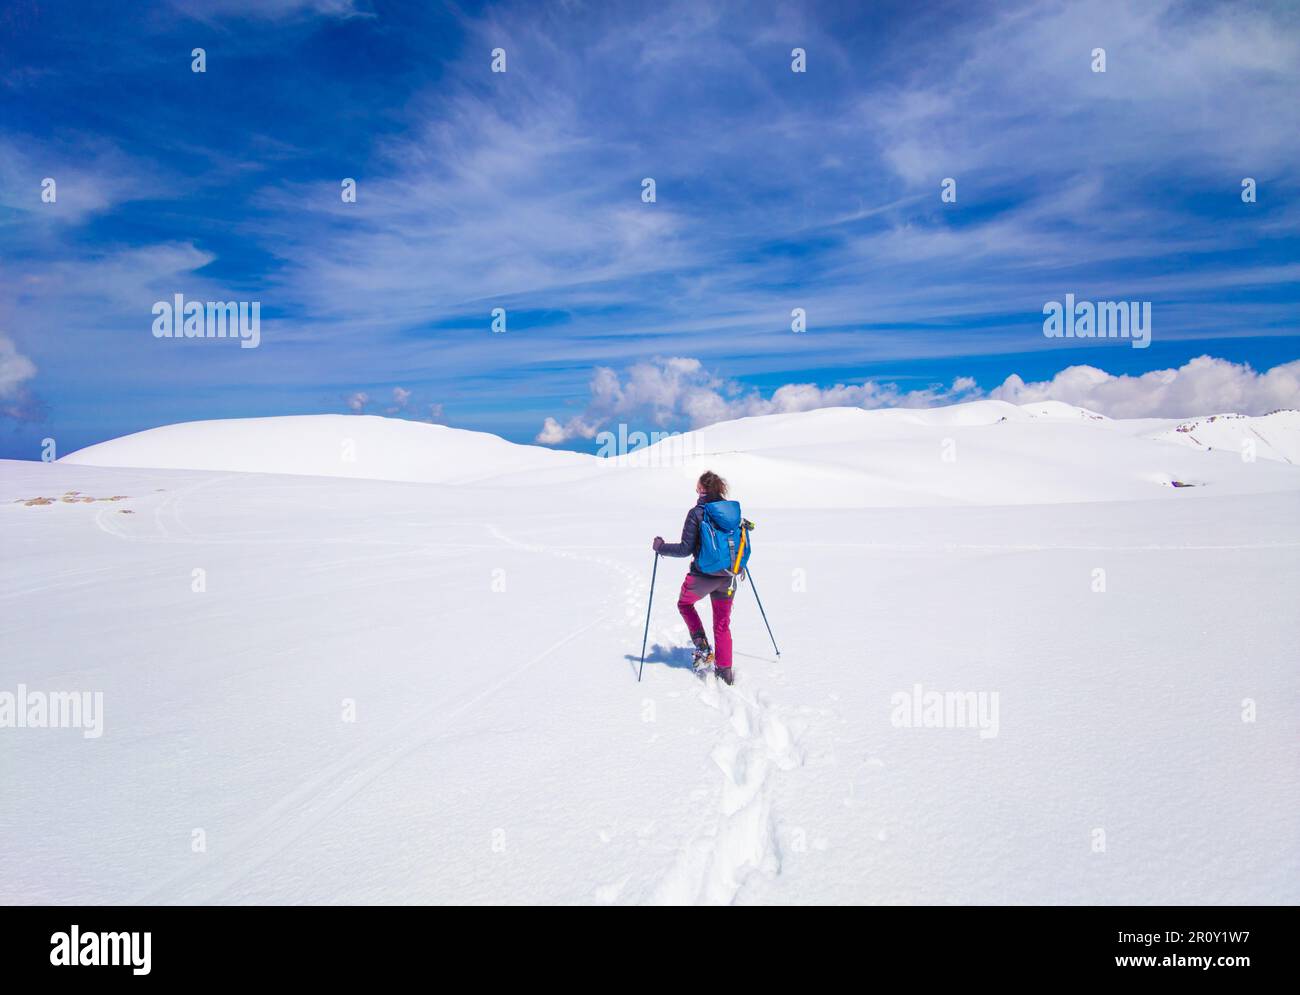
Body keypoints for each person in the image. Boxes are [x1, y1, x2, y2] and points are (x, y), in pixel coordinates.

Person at [652, 470, 737, 685]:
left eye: (697, 487)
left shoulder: (697, 513)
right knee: (722, 624)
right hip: (728, 576)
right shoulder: (731, 513)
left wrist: (661, 547)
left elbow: (684, 549)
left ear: (702, 489)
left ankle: (703, 648)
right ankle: (725, 672)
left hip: (702, 575)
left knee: (684, 604)